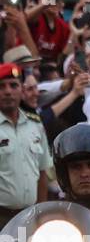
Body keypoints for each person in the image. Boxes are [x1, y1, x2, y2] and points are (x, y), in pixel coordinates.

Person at [0, 62, 51, 227]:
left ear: (22, 90)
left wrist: (40, 214)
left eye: (13, 85)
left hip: (29, 217)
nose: (7, 91)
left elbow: (42, 172)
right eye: (1, 86)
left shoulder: (35, 125)